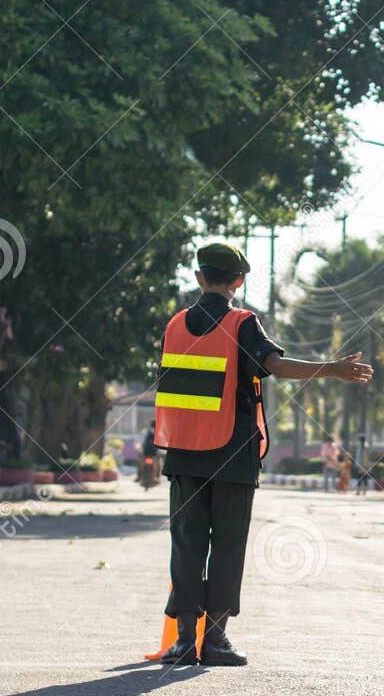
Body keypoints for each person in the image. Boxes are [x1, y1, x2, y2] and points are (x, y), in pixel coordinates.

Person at [155, 242, 372, 667]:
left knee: (186, 544)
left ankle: (182, 643)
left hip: (183, 453)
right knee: (228, 544)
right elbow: (276, 365)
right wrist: (333, 369)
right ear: (238, 281)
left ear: (199, 277)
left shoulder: (175, 324)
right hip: (232, 453)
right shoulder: (242, 322)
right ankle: (215, 641)